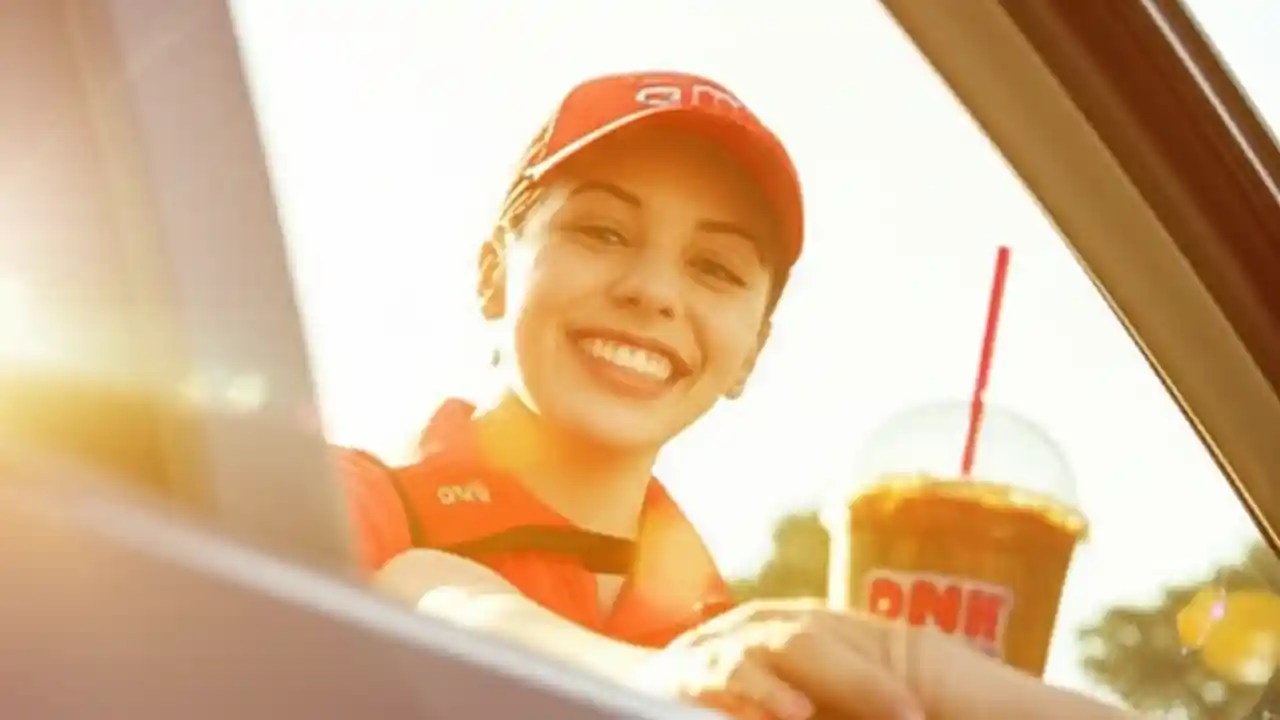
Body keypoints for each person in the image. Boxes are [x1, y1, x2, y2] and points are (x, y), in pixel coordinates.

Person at [340, 70, 1136, 720]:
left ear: (752, 349)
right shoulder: (340, 500)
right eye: (603, 232)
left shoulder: (745, 648)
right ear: (492, 274)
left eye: (715, 268)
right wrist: (657, 683)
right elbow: (437, 597)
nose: (653, 292)